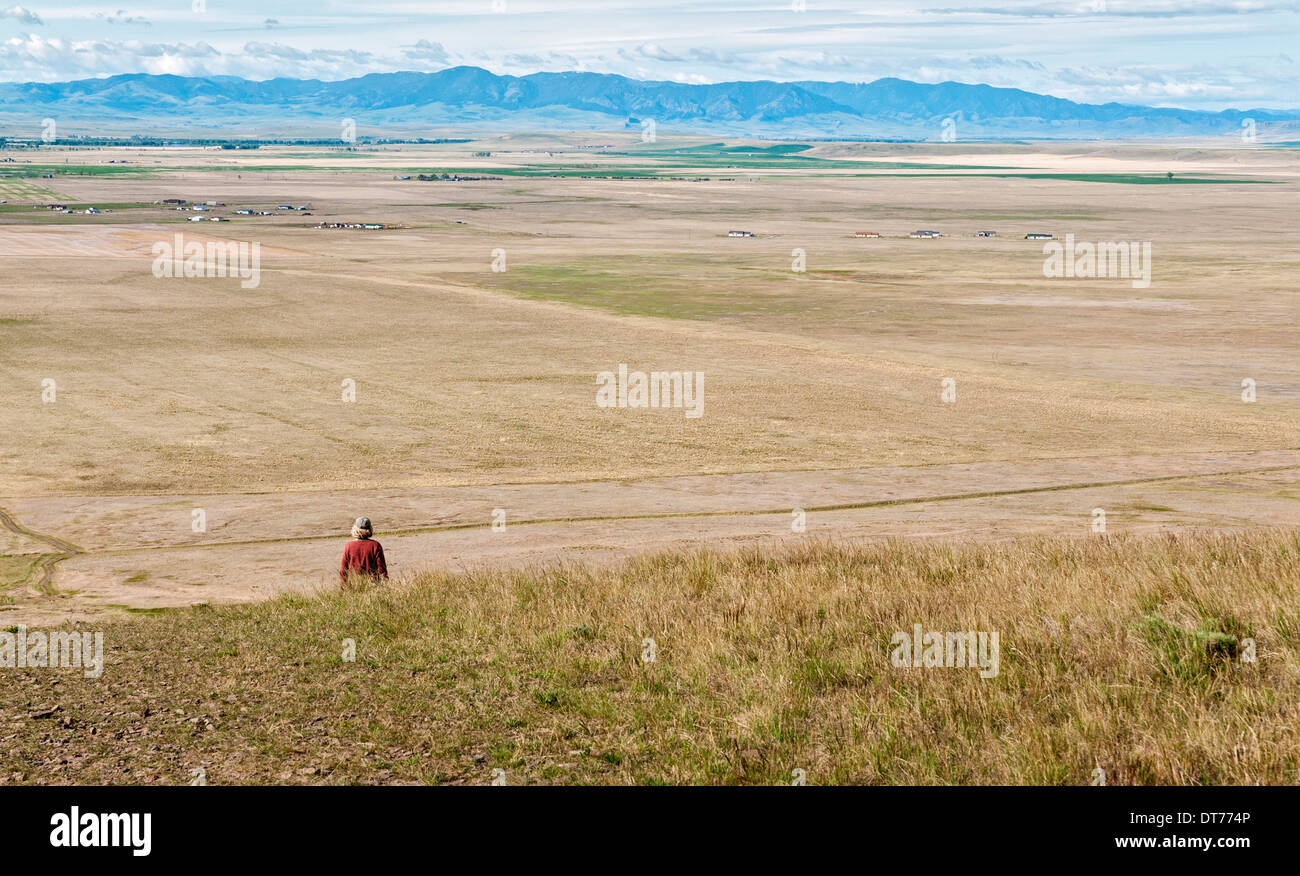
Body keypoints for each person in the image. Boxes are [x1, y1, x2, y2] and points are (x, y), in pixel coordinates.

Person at [339, 517, 388, 585]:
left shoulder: (349, 546)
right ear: (370, 529)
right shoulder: (375, 545)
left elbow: (343, 570)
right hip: (373, 585)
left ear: (355, 529)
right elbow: (382, 569)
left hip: (354, 585)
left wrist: (342, 588)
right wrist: (385, 585)